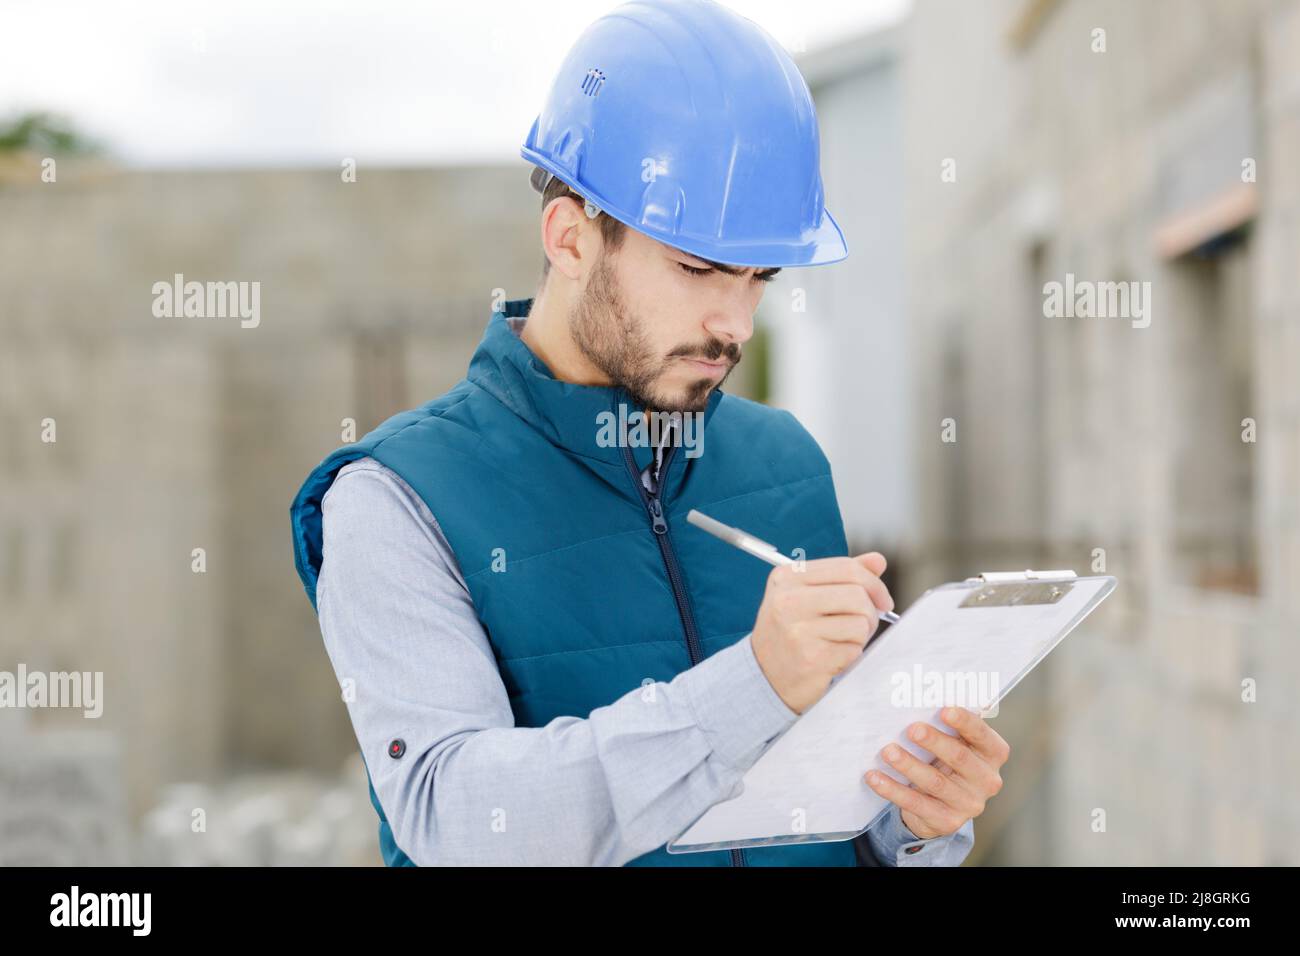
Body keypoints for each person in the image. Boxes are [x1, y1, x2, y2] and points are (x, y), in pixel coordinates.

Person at [289, 0, 1006, 866]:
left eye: (758, 278)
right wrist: (754, 684)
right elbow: (455, 819)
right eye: (697, 267)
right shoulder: (398, 498)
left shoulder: (784, 462)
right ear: (570, 239)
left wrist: (916, 824)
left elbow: (835, 813)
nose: (733, 323)